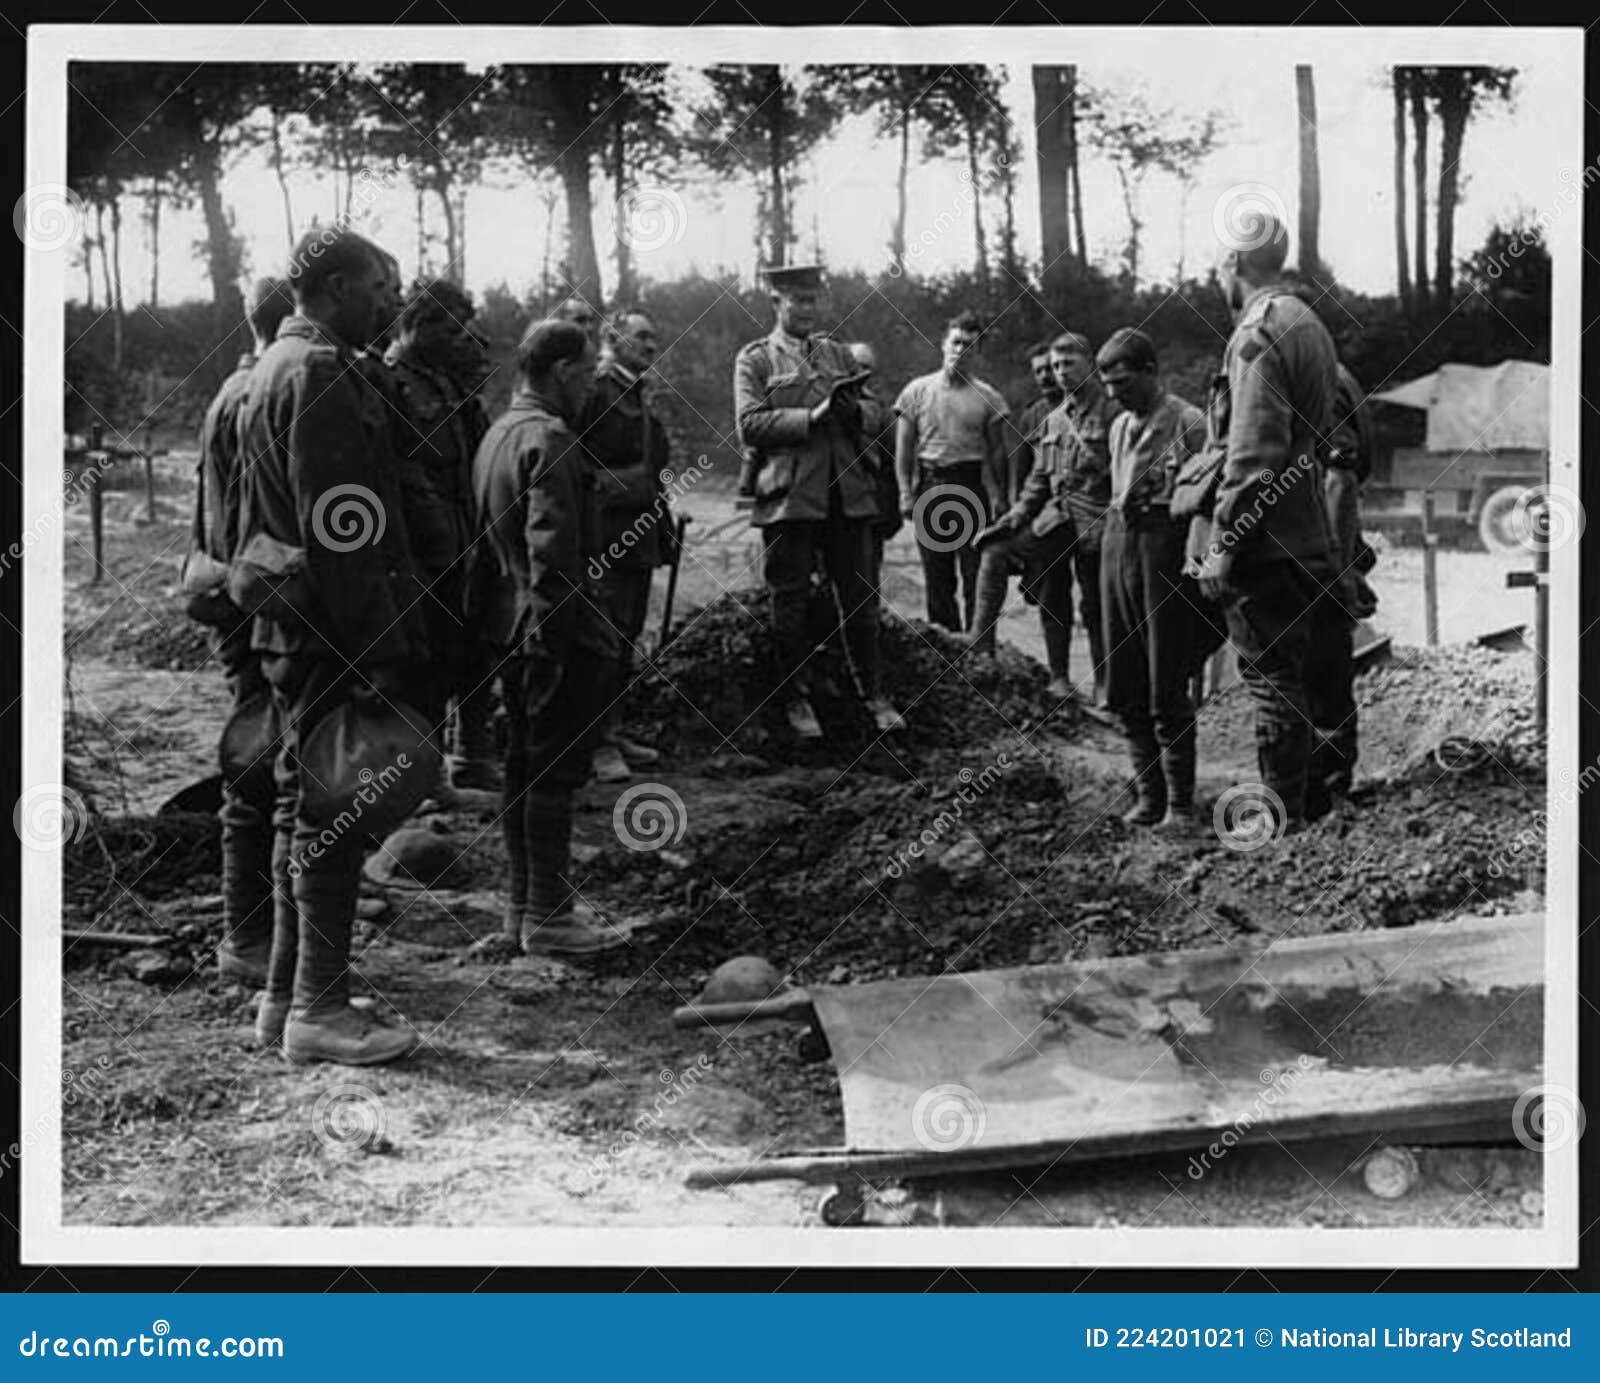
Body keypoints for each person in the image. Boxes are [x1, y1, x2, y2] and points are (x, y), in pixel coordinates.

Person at [235, 228, 425, 1065]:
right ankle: (319, 1008)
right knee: (333, 814)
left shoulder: (275, 365)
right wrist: (381, 645)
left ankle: (286, 998)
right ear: (337, 286)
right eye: (381, 286)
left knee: (299, 807)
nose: (391, 302)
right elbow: (343, 525)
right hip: (329, 629)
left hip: (292, 625)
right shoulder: (317, 371)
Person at [470, 319, 628, 956]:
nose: (592, 386)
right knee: (555, 776)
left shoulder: (498, 434)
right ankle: (550, 916)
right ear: (562, 371)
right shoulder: (551, 439)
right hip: (551, 636)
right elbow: (555, 563)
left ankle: (521, 911)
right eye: (588, 372)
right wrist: (564, 646)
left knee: (522, 770)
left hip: (509, 630)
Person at [1195, 214, 1342, 834]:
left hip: (1267, 542)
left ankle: (1280, 825)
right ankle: (1309, 811)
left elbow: (1253, 454)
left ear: (1233, 264)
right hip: (1306, 532)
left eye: (1220, 268)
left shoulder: (1256, 332)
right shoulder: (1309, 322)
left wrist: (1224, 543)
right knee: (1299, 679)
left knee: (1270, 684)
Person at [733, 263, 903, 739]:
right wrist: (814, 416)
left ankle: (871, 693)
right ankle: (795, 698)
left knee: (861, 599)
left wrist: (854, 415)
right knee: (790, 603)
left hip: (847, 496)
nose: (807, 309)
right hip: (790, 498)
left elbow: (879, 414)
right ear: (776, 303)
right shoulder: (756, 360)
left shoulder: (839, 355)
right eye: (797, 301)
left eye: (813, 300)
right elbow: (749, 424)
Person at [200, 275, 294, 988]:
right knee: (257, 765)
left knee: (263, 760)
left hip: (235, 591)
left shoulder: (238, 386)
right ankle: (246, 934)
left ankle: (259, 919)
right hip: (250, 600)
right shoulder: (255, 394)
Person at [1094, 328, 1209, 832]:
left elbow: (1209, 499)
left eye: (1124, 382)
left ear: (1149, 372)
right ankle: (1148, 795)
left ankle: (1181, 805)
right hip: (1120, 547)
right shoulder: (1119, 426)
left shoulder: (1189, 422)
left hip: (1165, 551)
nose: (1116, 393)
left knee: (1167, 682)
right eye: (1108, 386)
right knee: (1124, 680)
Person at [386, 278, 498, 790]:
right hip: (421, 553)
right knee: (423, 671)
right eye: (450, 328)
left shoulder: (445, 379)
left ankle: (469, 758)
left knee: (472, 652)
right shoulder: (389, 380)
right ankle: (422, 782)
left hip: (462, 543)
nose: (461, 338)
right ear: (418, 325)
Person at [967, 332, 1116, 701]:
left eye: (1069, 364)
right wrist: (1013, 518)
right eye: (1055, 366)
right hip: (1056, 521)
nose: (1061, 373)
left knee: (1098, 607)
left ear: (1090, 364)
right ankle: (984, 654)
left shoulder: (1116, 413)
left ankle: (1105, 684)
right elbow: (1037, 480)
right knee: (999, 553)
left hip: (1101, 524)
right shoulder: (1052, 421)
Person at [577, 309, 674, 783]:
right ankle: (592, 744)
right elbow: (571, 466)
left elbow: (655, 467)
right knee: (602, 638)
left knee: (627, 636)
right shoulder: (594, 393)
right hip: (604, 537)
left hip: (639, 536)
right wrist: (627, 486)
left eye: (654, 338)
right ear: (613, 340)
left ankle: (612, 731)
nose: (651, 346)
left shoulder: (639, 394)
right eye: (641, 337)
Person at [893, 312, 1010, 633]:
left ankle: (977, 645)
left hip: (971, 487)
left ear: (978, 353)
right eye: (956, 342)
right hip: (930, 486)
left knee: (976, 573)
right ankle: (945, 646)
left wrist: (1001, 497)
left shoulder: (989, 396)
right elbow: (904, 449)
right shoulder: (916, 391)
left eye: (969, 346)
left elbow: (998, 453)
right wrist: (904, 492)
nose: (960, 350)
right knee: (937, 575)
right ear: (943, 344)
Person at [846, 341, 902, 582]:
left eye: (865, 367)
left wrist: (890, 512)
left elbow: (892, 464)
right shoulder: (820, 403)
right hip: (827, 506)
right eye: (854, 365)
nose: (858, 372)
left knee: (866, 578)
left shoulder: (880, 411)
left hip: (868, 508)